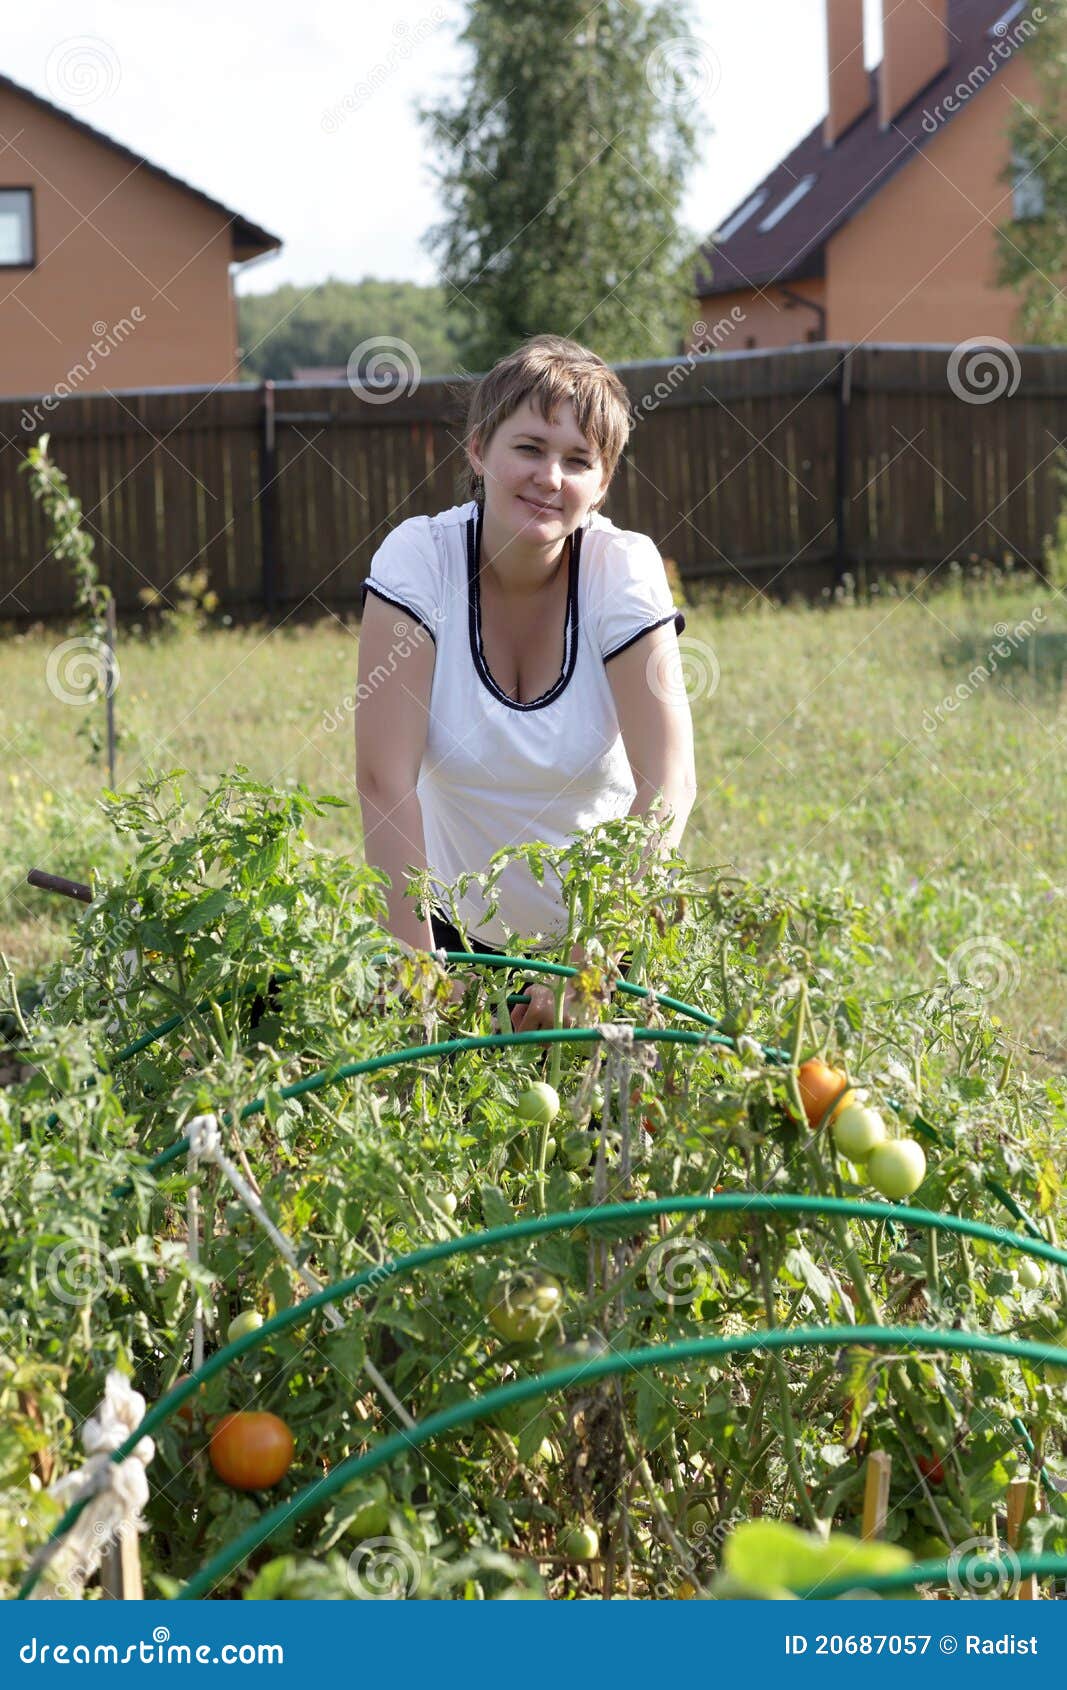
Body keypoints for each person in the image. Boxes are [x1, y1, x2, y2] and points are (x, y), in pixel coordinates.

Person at [354, 334, 697, 1033]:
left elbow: (668, 784)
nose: (551, 477)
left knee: (601, 1138)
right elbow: (381, 783)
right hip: (447, 941)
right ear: (479, 450)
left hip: (605, 940)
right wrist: (423, 976)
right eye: (530, 448)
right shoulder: (420, 561)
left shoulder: (623, 572)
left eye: (579, 461)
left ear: (602, 485)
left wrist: (585, 964)